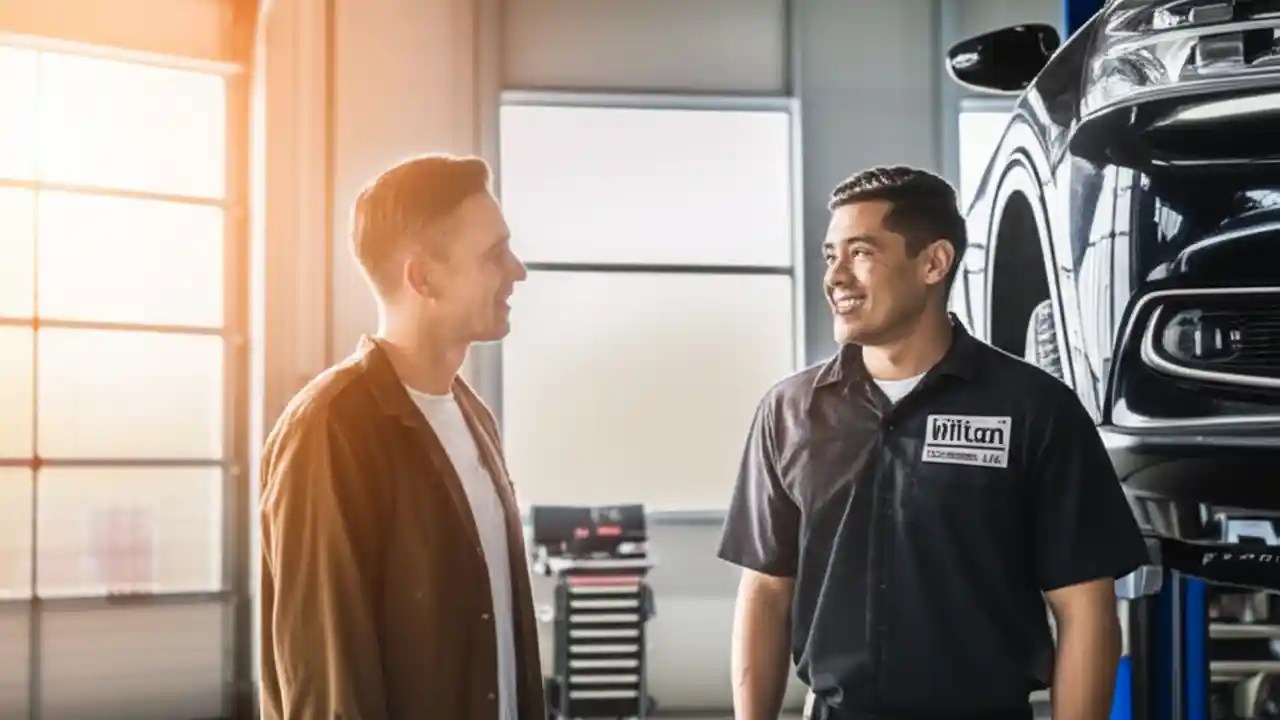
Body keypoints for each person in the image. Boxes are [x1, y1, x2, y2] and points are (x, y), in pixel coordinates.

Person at [717, 166, 1150, 720]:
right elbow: (765, 591)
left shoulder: (1036, 410)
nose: (835, 277)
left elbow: (1085, 607)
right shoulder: (790, 412)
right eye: (831, 256)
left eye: (861, 253)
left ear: (933, 263)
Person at [258, 154, 544, 719]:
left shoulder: (471, 415)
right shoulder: (330, 430)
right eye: (494, 255)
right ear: (423, 277)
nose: (518, 270)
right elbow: (328, 680)